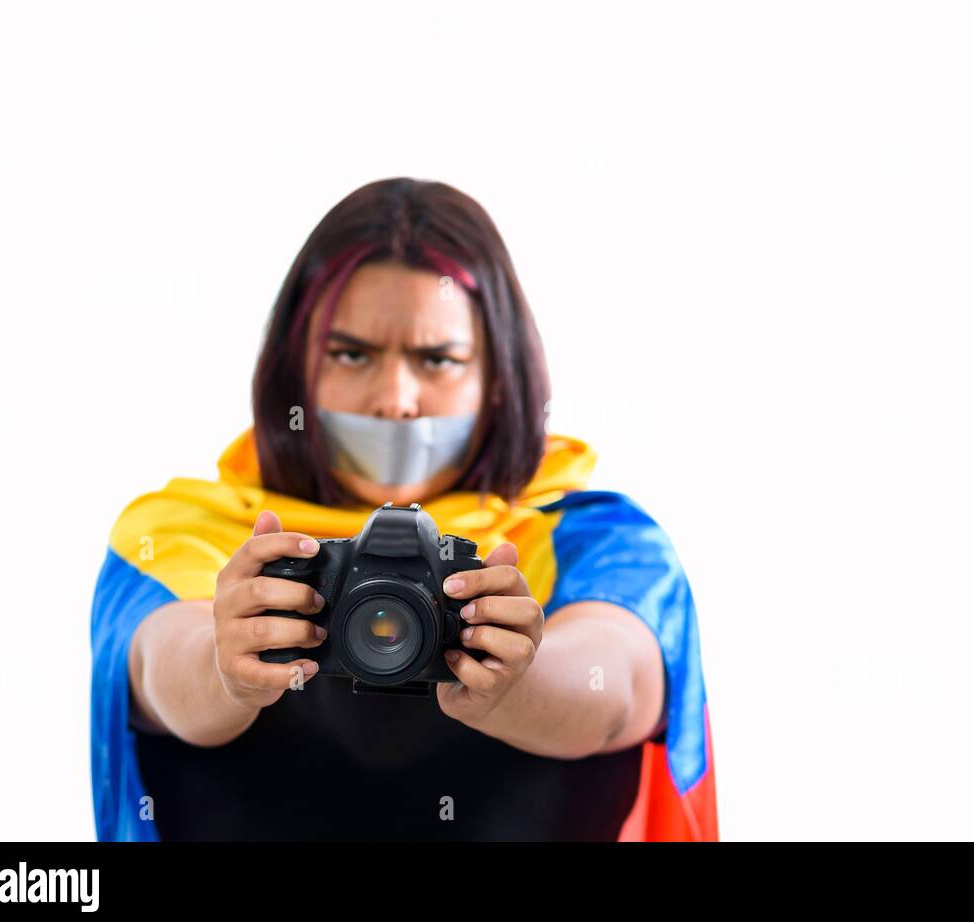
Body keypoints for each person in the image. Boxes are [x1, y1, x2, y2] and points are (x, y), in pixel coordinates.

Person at [90, 178, 716, 841]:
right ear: (293, 370)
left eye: (437, 359)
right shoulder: (182, 533)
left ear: (500, 379)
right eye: (351, 354)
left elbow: (617, 688)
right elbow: (158, 668)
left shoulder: (597, 540)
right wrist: (226, 667)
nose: (395, 399)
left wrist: (516, 681)